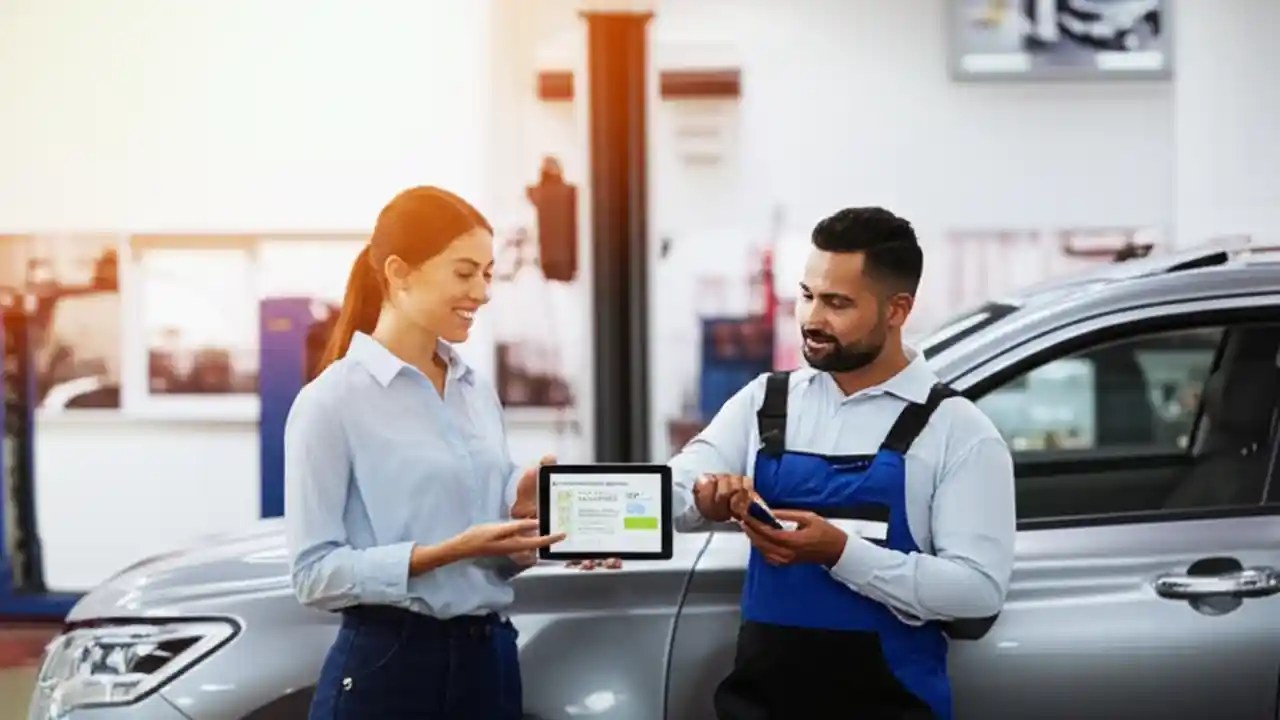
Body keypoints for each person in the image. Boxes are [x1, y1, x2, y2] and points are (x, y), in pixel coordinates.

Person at [669, 207, 1017, 720]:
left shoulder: (959, 433)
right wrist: (701, 496)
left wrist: (839, 553)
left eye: (837, 303)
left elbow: (977, 593)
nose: (812, 319)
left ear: (897, 309)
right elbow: (677, 487)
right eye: (807, 296)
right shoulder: (765, 402)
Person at [284, 186, 565, 719]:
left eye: (487, 273)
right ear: (399, 272)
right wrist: (444, 552)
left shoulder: (474, 389)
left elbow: (489, 554)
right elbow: (313, 575)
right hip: (391, 666)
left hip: (490, 661)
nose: (482, 292)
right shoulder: (331, 401)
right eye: (464, 273)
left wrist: (521, 523)